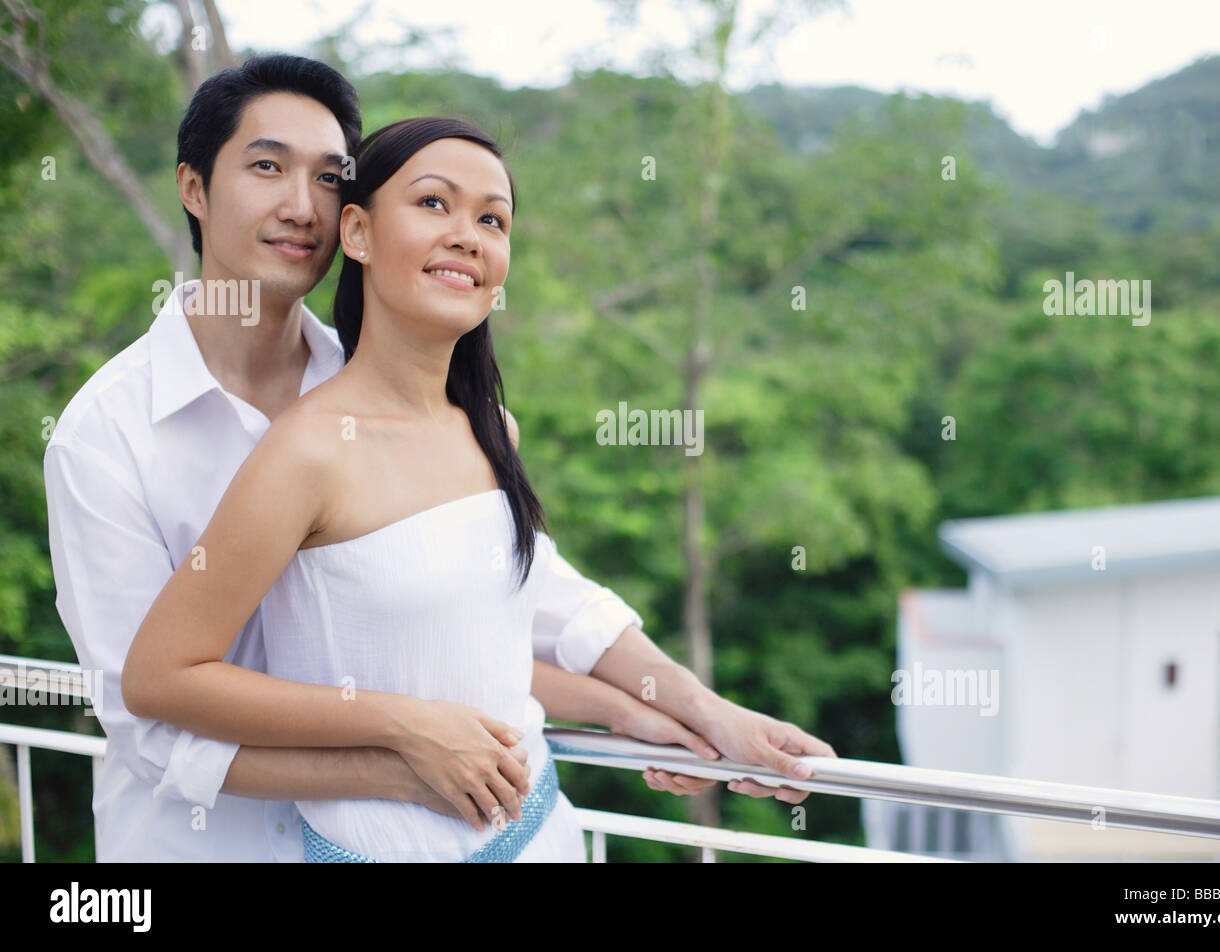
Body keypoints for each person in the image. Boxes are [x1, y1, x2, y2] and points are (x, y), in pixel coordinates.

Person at [45, 55, 727, 863]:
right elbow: (148, 720)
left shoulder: (398, 392)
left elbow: (502, 602)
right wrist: (392, 760)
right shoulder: (106, 435)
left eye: (330, 178)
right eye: (267, 167)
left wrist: (654, 702)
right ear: (193, 188)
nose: (303, 207)